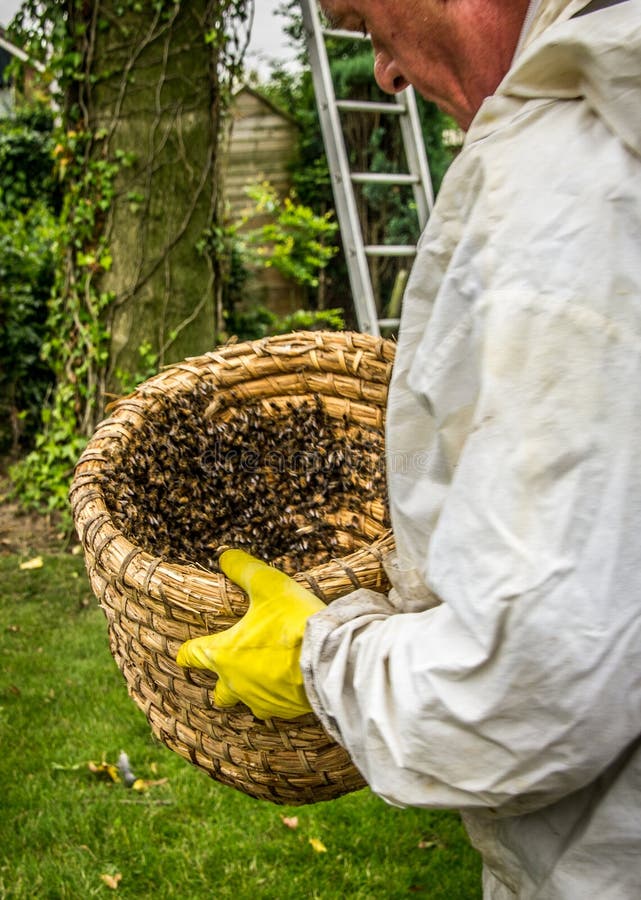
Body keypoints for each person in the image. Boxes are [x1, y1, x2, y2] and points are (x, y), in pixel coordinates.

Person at [178, 1, 641, 896]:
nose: (385, 72)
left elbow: (526, 687)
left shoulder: (568, 180)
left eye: (364, 20)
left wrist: (320, 657)